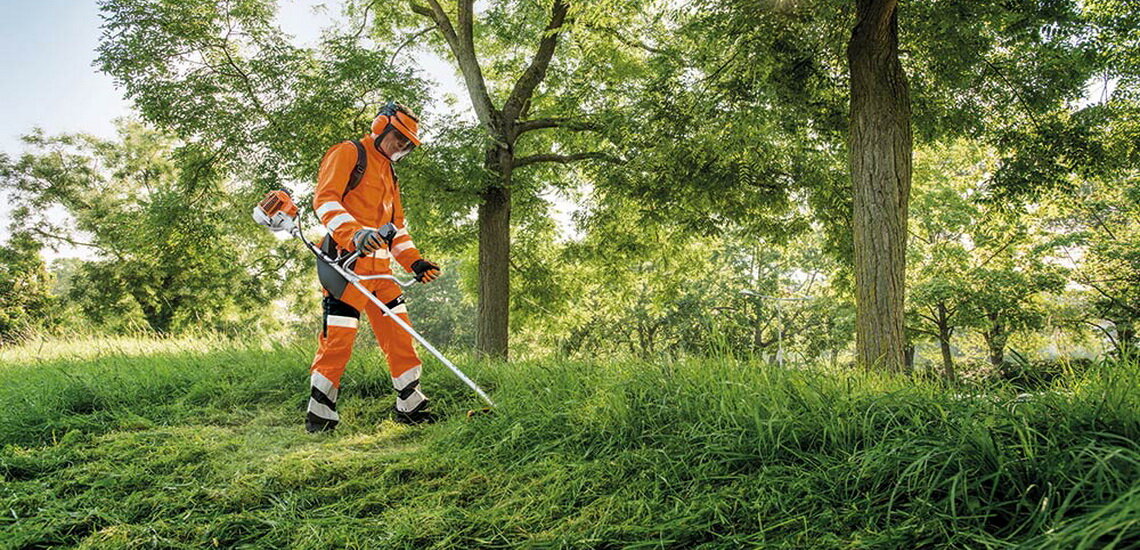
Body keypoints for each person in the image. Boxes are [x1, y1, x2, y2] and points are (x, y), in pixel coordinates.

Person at [305, 102, 441, 433]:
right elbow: (325, 200)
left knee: (401, 336)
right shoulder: (349, 153)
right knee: (339, 339)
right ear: (381, 127)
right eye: (399, 139)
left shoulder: (390, 174)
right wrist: (355, 234)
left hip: (381, 275)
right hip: (345, 267)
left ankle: (410, 405)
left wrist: (414, 261)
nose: (404, 147)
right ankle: (320, 414)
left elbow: (397, 229)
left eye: (409, 143)